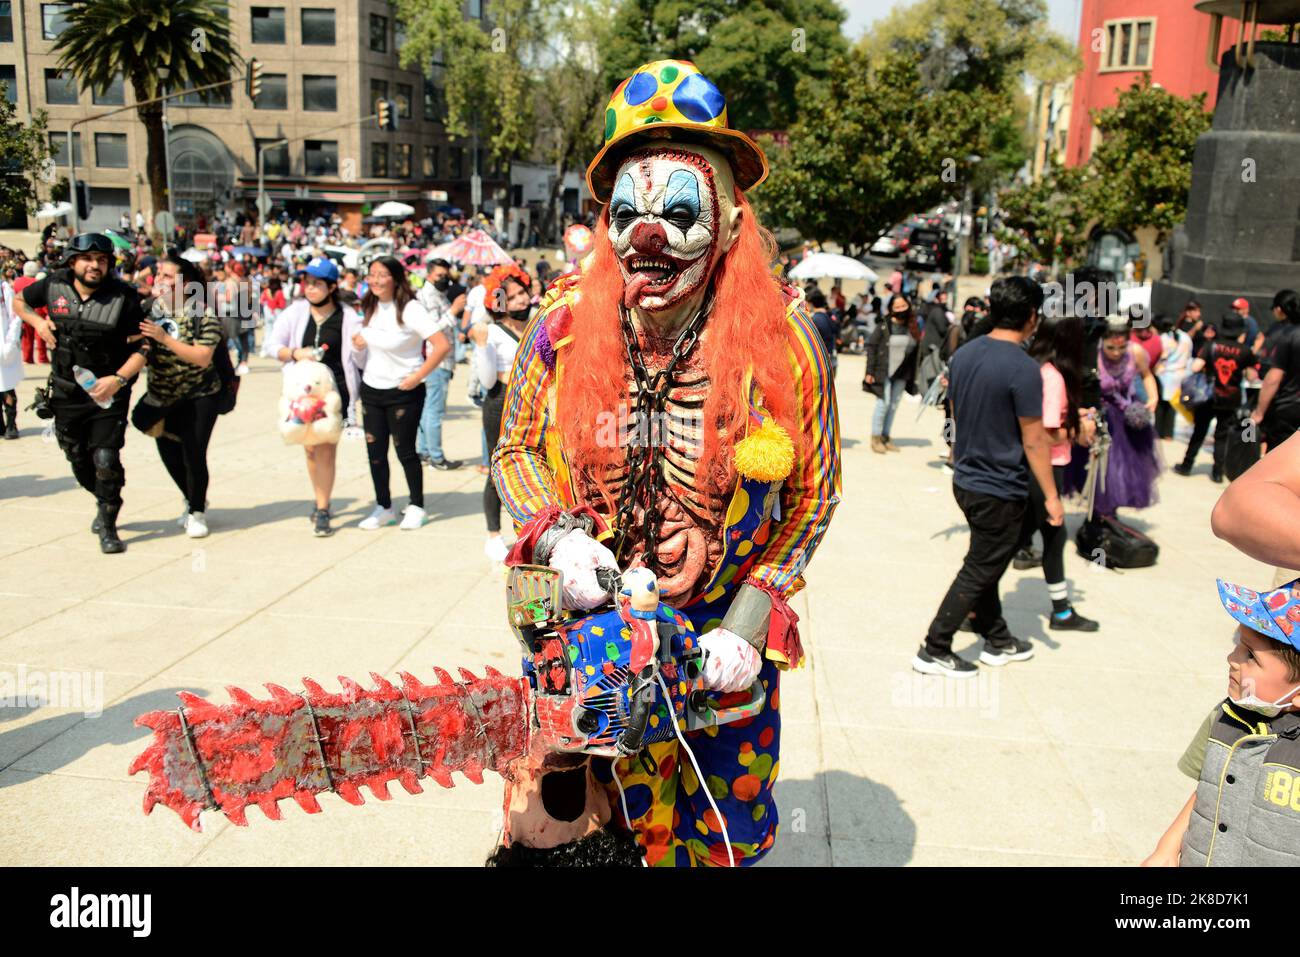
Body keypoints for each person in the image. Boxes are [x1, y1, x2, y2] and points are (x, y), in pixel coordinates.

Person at [491, 59, 839, 866]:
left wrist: (750, 624)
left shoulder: (788, 340)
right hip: (588, 641)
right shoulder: (560, 324)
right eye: (629, 214)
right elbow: (512, 451)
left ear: (726, 221)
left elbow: (815, 498)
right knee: (570, 832)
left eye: (679, 213)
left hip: (720, 653)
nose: (650, 237)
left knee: (722, 832)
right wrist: (557, 538)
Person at [914, 276, 1062, 678]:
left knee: (988, 558)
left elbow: (957, 416)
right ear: (1032, 316)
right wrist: (1051, 495)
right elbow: (1035, 441)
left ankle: (997, 636)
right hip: (999, 485)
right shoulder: (1024, 368)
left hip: (966, 478)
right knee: (981, 564)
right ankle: (935, 647)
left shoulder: (965, 355)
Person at [1142, 578, 1300, 866]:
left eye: (1251, 655)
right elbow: (1209, 790)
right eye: (1239, 646)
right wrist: (1166, 848)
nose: (1232, 658)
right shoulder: (1225, 718)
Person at [13, 233, 149, 553]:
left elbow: (145, 347)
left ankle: (108, 522)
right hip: (65, 390)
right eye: (87, 259)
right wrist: (39, 322)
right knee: (77, 456)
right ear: (73, 261)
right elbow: (19, 301)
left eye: (101, 260)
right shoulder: (52, 285)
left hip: (107, 393)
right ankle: (103, 497)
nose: (94, 266)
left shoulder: (124, 298)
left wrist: (117, 379)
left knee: (106, 459)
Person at [266, 257, 365, 536]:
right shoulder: (295, 312)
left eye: (317, 284)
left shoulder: (347, 316)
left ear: (332, 287)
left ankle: (322, 508)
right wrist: (295, 353)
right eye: (307, 283)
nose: (310, 288)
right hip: (301, 393)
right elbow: (272, 345)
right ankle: (319, 497)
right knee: (309, 448)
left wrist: (359, 347)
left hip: (334, 393)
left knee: (325, 447)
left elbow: (358, 356)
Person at [133, 252, 224, 538]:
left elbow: (202, 357)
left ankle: (197, 512)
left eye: (168, 276)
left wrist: (165, 339)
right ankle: (191, 496)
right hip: (163, 395)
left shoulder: (202, 313)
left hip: (199, 395)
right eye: (158, 274)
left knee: (194, 453)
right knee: (168, 451)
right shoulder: (147, 309)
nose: (159, 279)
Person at [352, 256, 443, 531]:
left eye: (382, 275)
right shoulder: (369, 306)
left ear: (395, 278)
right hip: (372, 388)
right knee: (375, 453)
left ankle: (417, 505)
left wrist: (417, 377)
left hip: (403, 391)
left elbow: (441, 345)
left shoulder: (411, 309)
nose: (376, 280)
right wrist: (357, 346)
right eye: (372, 275)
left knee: (405, 451)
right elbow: (363, 346)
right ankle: (384, 507)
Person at [1024, 313, 1099, 630]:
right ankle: (1062, 612)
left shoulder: (1038, 368)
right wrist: (1078, 428)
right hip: (1045, 468)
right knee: (1051, 538)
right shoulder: (1053, 378)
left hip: (1038, 467)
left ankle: (1061, 610)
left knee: (1029, 538)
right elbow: (1044, 433)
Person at [1073, 317, 1161, 516]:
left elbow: (1147, 374)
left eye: (1120, 348)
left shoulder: (1135, 352)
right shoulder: (1092, 354)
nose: (1116, 353)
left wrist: (1153, 397)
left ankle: (1109, 512)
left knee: (1120, 470)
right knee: (1096, 467)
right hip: (1099, 414)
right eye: (1111, 348)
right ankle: (1098, 513)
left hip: (1127, 416)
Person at [473, 263, 531, 562]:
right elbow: (486, 381)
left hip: (534, 404)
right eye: (514, 296)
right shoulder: (491, 332)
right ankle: (494, 534)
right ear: (499, 302)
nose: (522, 299)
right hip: (501, 404)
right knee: (498, 470)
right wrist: (481, 346)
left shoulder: (537, 323)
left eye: (523, 292)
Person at [1174, 312, 1258, 482]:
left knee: (1199, 432)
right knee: (1222, 435)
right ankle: (1218, 472)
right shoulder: (1245, 351)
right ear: (1240, 331)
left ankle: (1187, 465)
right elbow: (1251, 376)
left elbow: (1197, 367)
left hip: (1208, 397)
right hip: (1231, 398)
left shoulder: (1211, 345)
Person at [414, 257, 461, 470]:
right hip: (436, 359)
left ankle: (424, 450)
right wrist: (454, 311)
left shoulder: (439, 295)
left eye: (446, 276)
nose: (444, 280)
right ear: (429, 275)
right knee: (435, 410)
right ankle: (435, 456)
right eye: (439, 276)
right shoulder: (427, 297)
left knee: (427, 409)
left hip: (441, 360)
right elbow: (432, 329)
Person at [863, 294, 920, 453]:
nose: (901, 310)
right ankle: (875, 438)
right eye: (897, 307)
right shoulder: (884, 324)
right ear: (891, 309)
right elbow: (872, 346)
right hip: (883, 370)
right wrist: (870, 371)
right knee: (883, 403)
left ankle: (885, 437)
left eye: (903, 306)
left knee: (894, 405)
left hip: (903, 372)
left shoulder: (913, 325)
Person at [1249, 290, 1300, 450]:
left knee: (1274, 453)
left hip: (1285, 405)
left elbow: (1273, 376)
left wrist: (1258, 412)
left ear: (1279, 309)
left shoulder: (1284, 334)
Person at [1154, 312, 1193, 440]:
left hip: (1165, 374)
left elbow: (1160, 356)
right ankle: (1168, 433)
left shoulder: (1164, 339)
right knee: (1172, 405)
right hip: (1180, 374)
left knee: (1161, 405)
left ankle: (1158, 431)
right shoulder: (1186, 337)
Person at [0, 276, 22, 438]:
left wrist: (11, 341)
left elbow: (15, 316)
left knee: (6, 386)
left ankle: (11, 424)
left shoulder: (4, 288)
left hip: (4, 344)